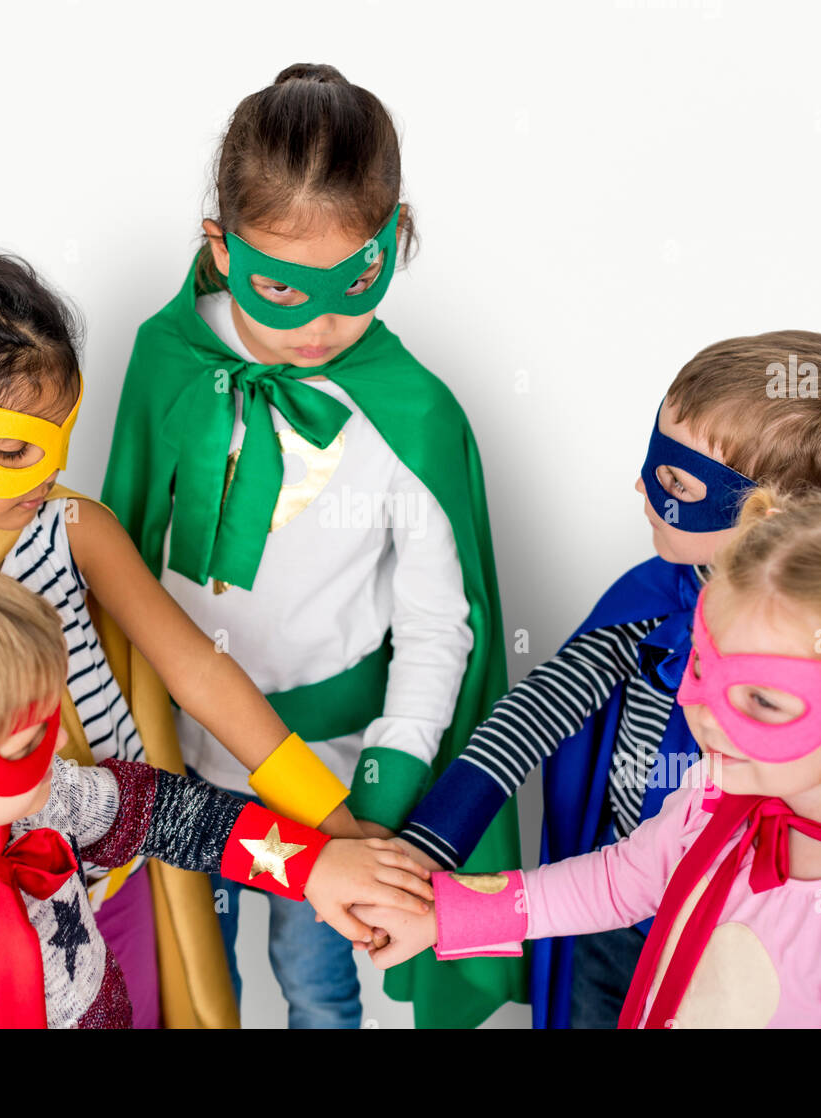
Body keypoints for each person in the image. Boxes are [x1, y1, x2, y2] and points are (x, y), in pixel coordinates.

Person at [0, 245, 372, 1027]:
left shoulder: (68, 526)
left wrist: (325, 819)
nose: (46, 474)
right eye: (12, 450)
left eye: (60, 436)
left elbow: (197, 671)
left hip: (111, 872)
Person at [101, 63, 522, 1028]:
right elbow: (113, 554)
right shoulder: (166, 360)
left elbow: (438, 629)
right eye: (281, 289)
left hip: (332, 773)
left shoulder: (411, 414)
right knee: (189, 982)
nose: (319, 325)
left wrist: (378, 795)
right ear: (221, 245)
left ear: (394, 239)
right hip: (176, 767)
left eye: (350, 286)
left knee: (319, 983)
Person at [395, 331, 821, 1026]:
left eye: (676, 480)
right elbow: (539, 710)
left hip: (742, 934)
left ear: (770, 519)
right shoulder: (650, 597)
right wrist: (431, 841)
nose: (641, 485)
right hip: (611, 911)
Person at [358, 486, 821, 1028]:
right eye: (700, 664)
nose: (706, 714)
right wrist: (446, 914)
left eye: (762, 700)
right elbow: (618, 882)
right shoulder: (714, 793)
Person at [0, 548, 434, 1028]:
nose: (61, 746)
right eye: (26, 744)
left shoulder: (35, 799)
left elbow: (167, 814)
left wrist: (312, 865)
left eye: (49, 719)